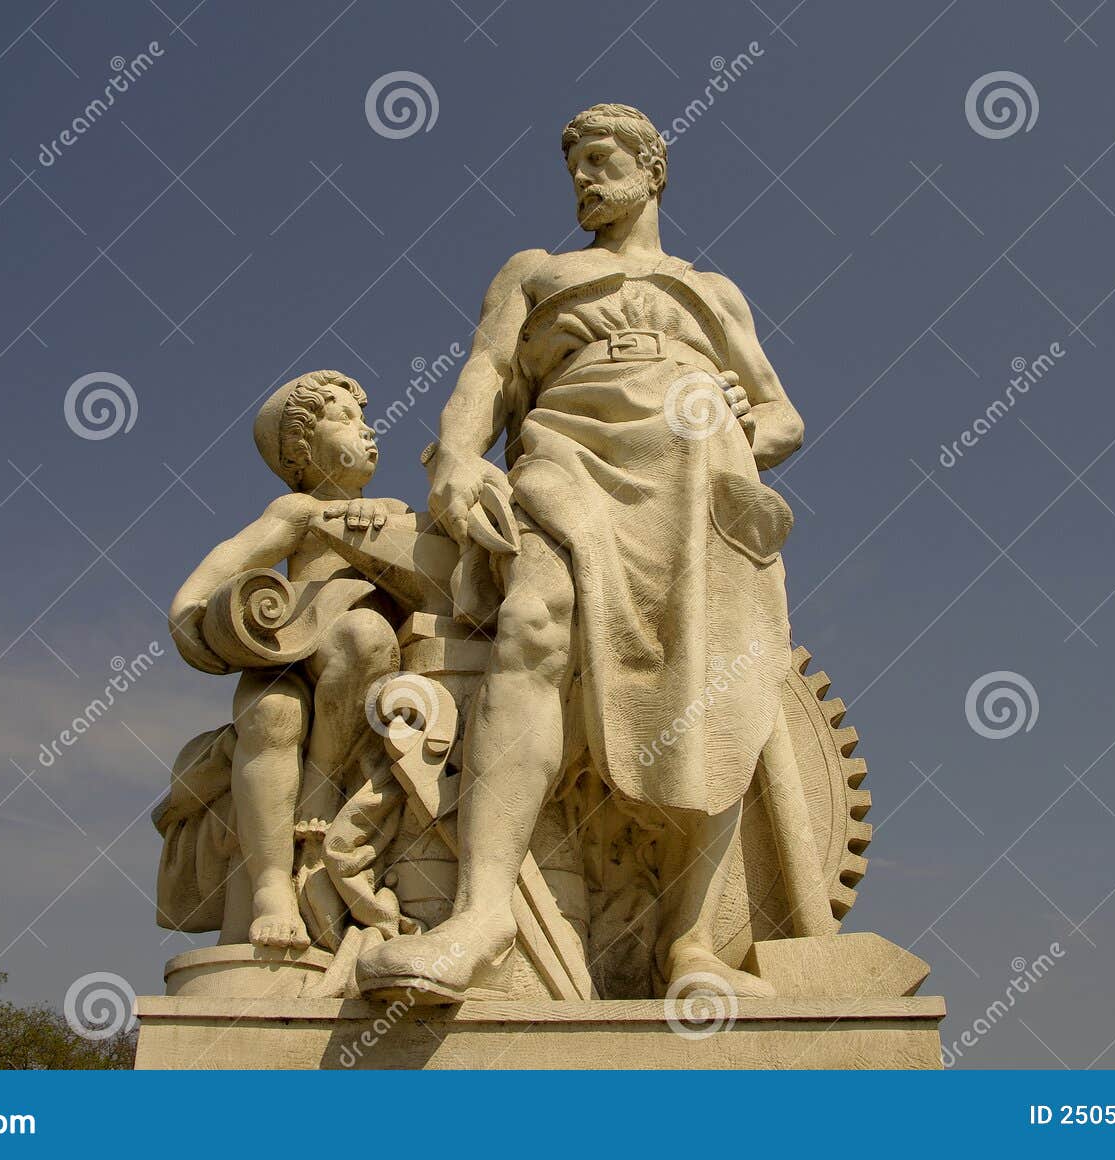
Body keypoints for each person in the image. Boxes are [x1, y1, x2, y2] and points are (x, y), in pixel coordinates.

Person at [357, 105, 805, 1001]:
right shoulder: (537, 272)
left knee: (716, 677)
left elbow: (784, 414)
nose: (584, 183)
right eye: (575, 170)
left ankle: (690, 945)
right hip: (568, 452)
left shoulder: (712, 292)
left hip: (699, 471)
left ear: (652, 168)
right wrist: (456, 457)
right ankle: (482, 917)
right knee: (531, 624)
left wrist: (743, 426)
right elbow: (485, 373)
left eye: (601, 162)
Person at [169, 370, 405, 949]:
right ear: (300, 446)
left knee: (367, 633)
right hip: (283, 651)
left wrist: (389, 540)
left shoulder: (395, 511)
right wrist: (189, 607)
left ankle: (320, 791)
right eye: (345, 417)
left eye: (365, 417)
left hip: (358, 664)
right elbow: (235, 555)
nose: (367, 429)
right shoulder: (298, 510)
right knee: (271, 714)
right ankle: (272, 885)